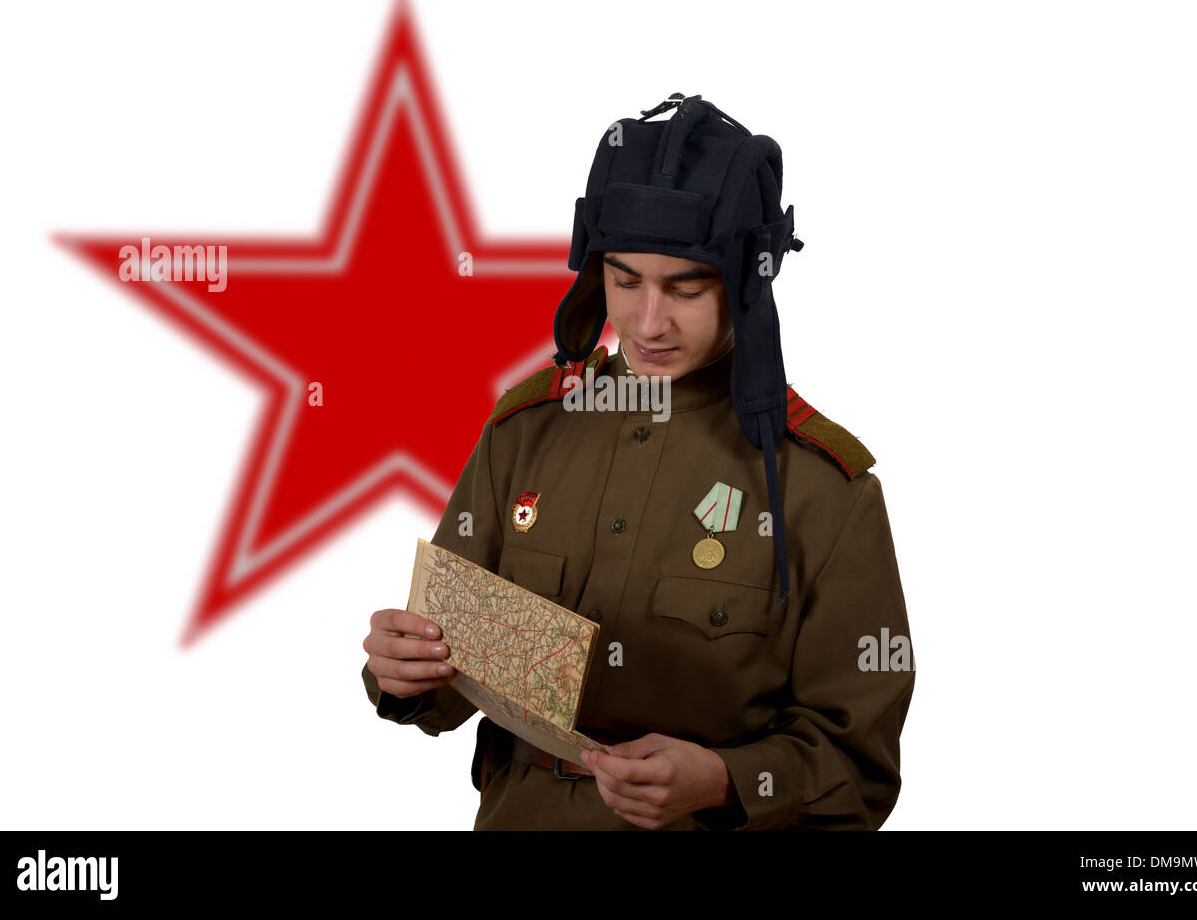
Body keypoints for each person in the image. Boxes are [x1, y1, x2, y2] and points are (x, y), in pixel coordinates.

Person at [361, 94, 915, 830]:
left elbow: (860, 771)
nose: (648, 322)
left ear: (749, 283)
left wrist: (725, 780)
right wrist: (402, 672)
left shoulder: (824, 488)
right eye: (625, 281)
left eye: (686, 287)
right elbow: (449, 673)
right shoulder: (524, 429)